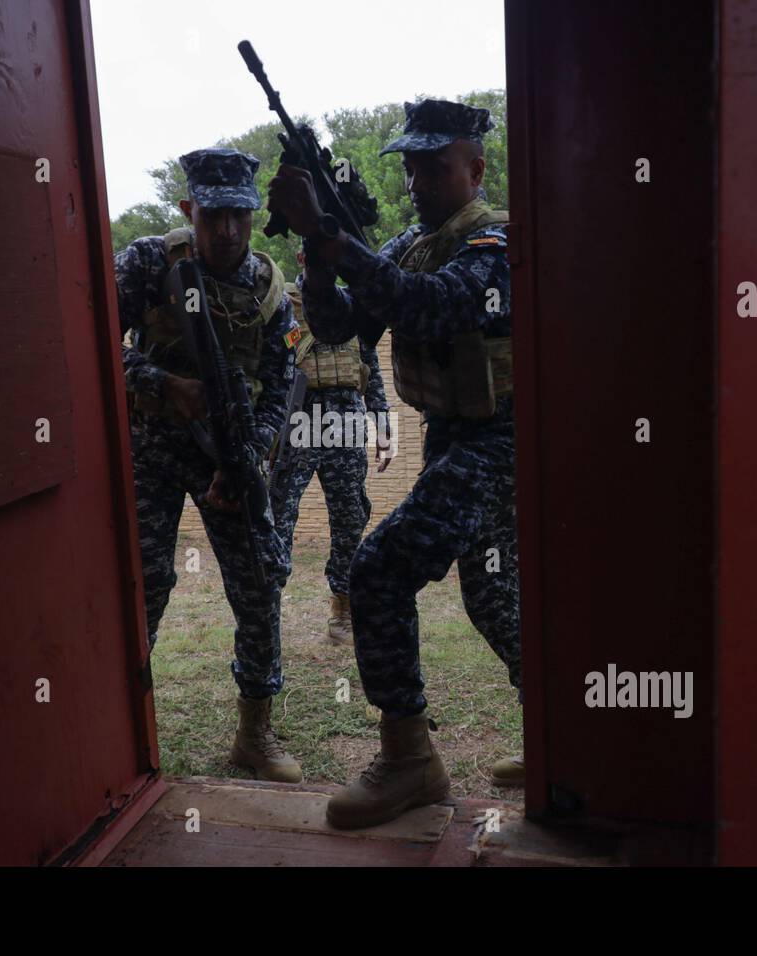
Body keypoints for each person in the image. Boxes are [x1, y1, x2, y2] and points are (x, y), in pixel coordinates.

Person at [268, 99, 523, 828]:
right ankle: (568, 726)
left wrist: (334, 235)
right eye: (408, 167)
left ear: (474, 169)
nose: (416, 181)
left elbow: (434, 308)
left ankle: (410, 760)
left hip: (498, 440)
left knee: (378, 571)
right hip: (454, 436)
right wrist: (320, 266)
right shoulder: (415, 240)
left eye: (433, 166)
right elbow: (345, 325)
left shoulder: (494, 244)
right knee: (493, 594)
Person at [116, 147, 301, 782]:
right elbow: (85, 339)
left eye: (240, 217)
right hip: (154, 446)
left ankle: (255, 733)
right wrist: (161, 380)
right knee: (144, 581)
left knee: (259, 582)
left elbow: (285, 376)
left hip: (228, 455)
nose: (227, 231)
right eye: (214, 215)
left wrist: (254, 455)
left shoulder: (270, 289)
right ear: (189, 208)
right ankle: (120, 725)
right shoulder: (147, 263)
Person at [270, 279, 393, 645]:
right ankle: (266, 611)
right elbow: (271, 365)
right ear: (302, 257)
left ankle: (342, 609)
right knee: (279, 517)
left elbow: (369, 366)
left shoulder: (352, 305)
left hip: (347, 423)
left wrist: (383, 426)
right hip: (298, 420)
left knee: (350, 517)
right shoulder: (285, 305)